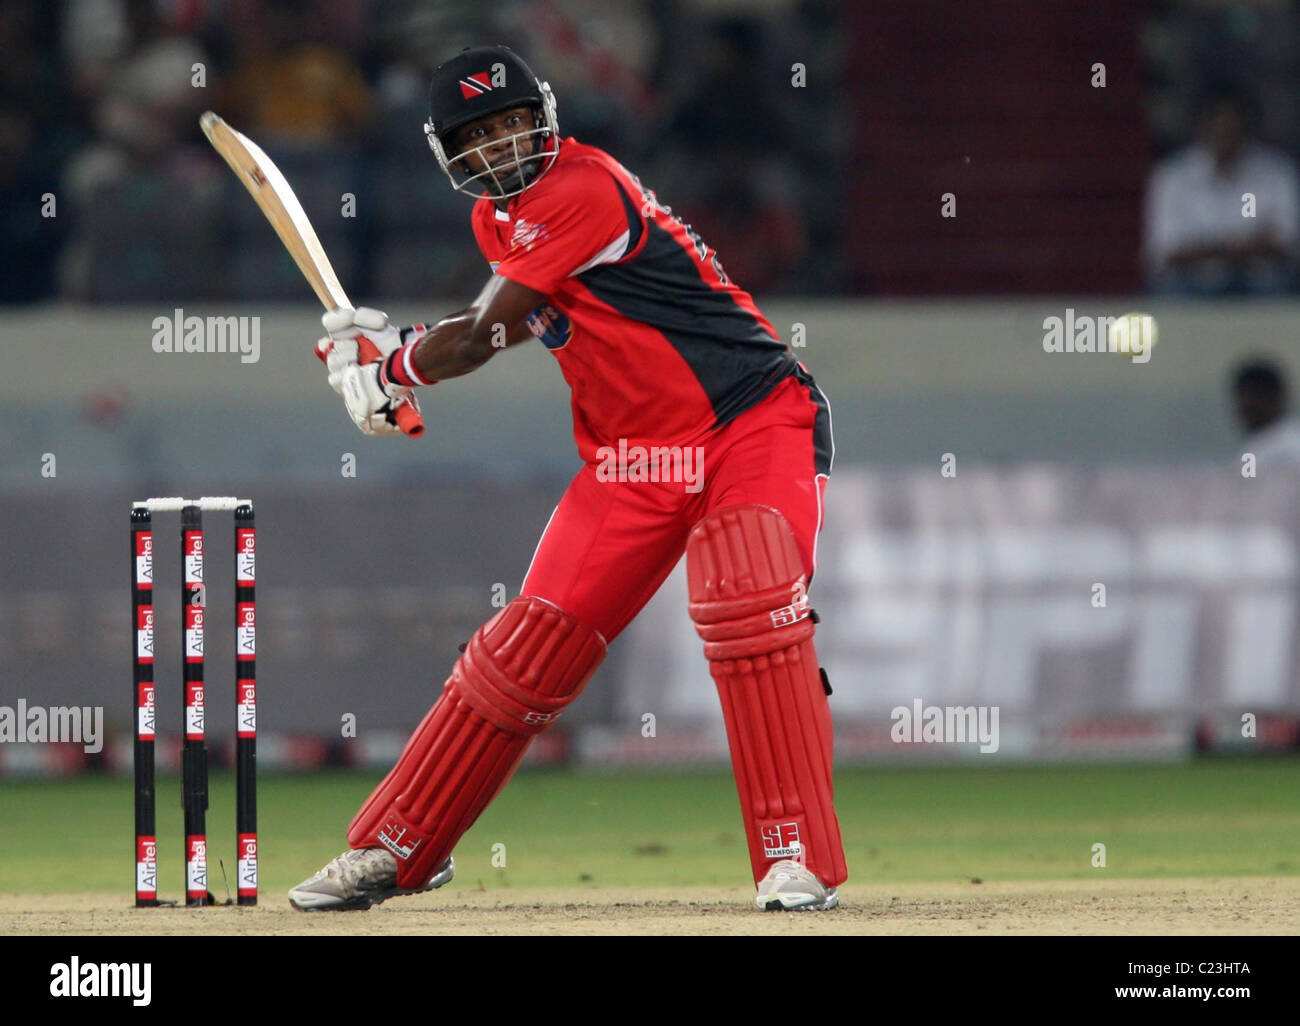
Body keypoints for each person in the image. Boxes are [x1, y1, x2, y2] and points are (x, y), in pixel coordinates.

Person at [289, 45, 845, 913]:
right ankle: (403, 846)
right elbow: (504, 324)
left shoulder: (584, 188)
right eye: (480, 135)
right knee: (524, 650)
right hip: (629, 461)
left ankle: (795, 855)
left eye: (514, 121)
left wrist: (395, 366)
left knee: (750, 597)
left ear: (546, 115)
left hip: (752, 419)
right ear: (450, 155)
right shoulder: (498, 223)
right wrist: (396, 360)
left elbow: (477, 336)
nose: (504, 145)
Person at [1144, 83, 1298, 295]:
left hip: (1257, 281)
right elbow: (1166, 250)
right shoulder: (1172, 176)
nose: (1225, 130)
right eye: (1217, 121)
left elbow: (1286, 242)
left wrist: (1208, 247)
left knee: (1277, 283)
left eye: (1232, 123)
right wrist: (1237, 247)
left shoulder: (1277, 172)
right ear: (1202, 124)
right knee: (1171, 287)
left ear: (1247, 125)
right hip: (1194, 281)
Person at [1231, 358, 1300, 470]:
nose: (1246, 407)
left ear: (1275, 397)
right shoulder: (1255, 448)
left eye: (1256, 399)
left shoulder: (1292, 447)